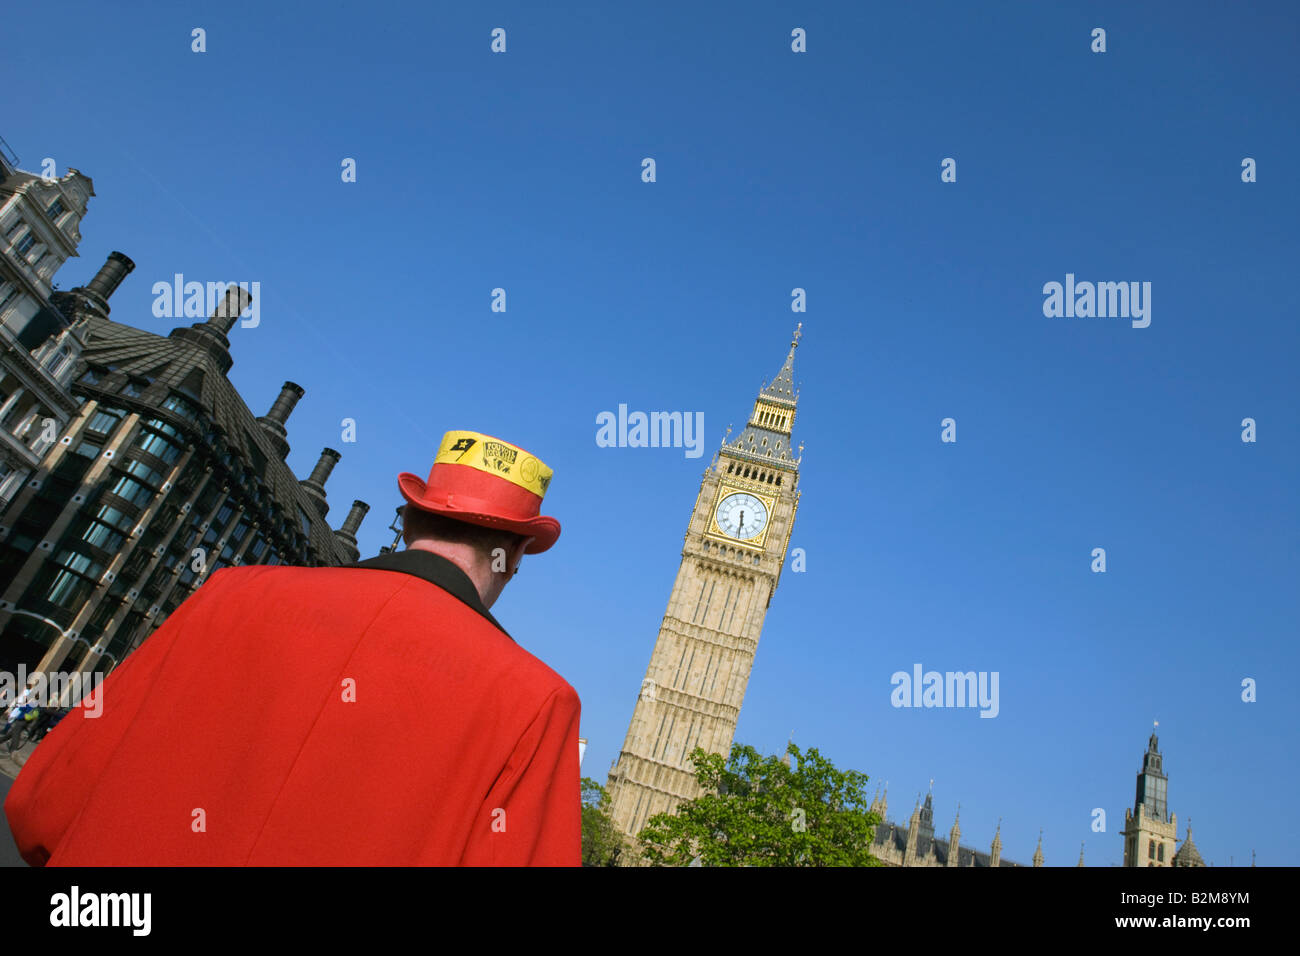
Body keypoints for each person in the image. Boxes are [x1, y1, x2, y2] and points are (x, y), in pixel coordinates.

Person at [4, 430, 580, 865]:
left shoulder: (232, 594)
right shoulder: (536, 703)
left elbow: (41, 806)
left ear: (408, 519)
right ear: (515, 554)